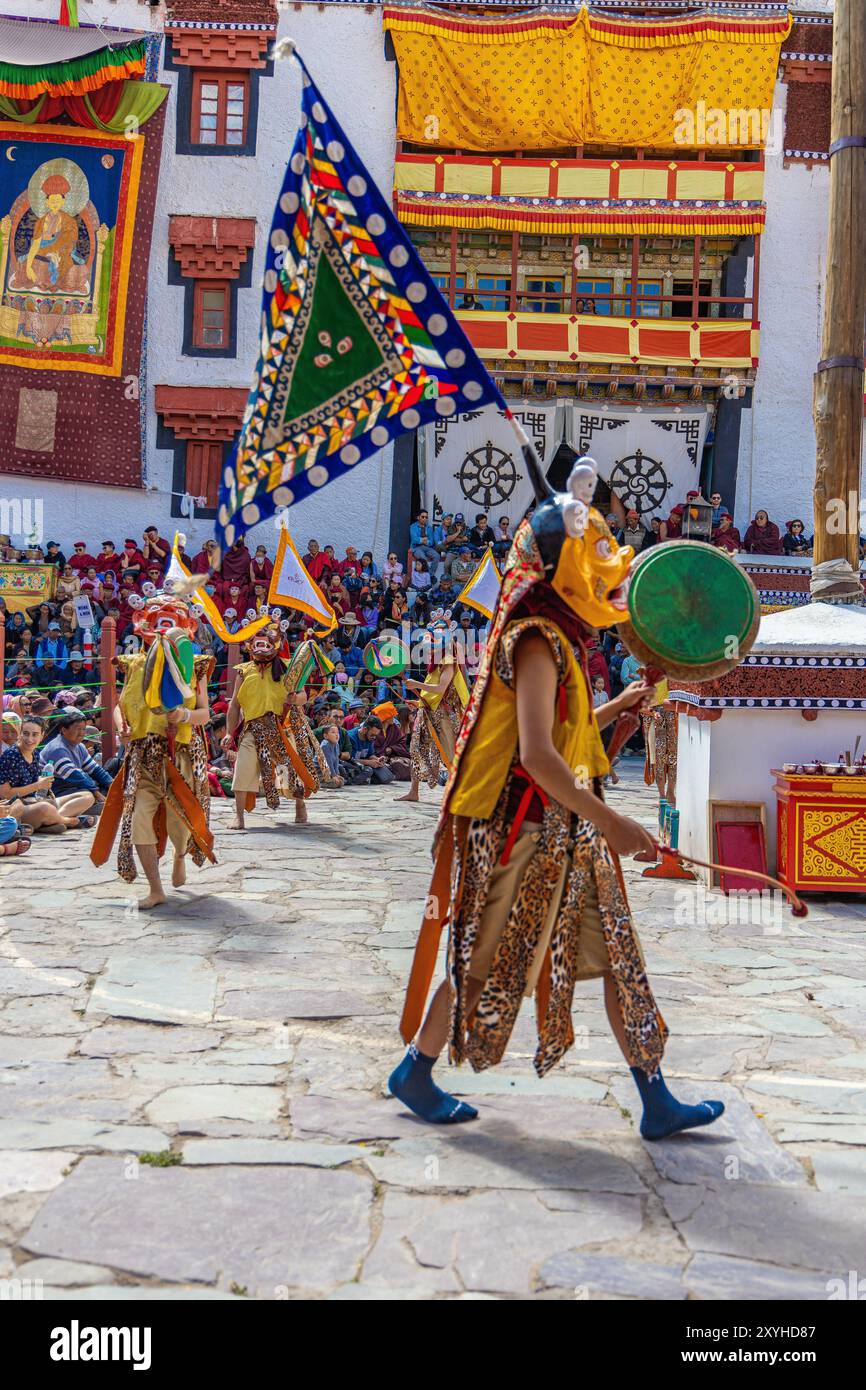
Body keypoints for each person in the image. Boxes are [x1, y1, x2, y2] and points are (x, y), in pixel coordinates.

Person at [388, 452, 724, 1140]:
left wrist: (623, 706)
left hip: (566, 828)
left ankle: (655, 1096)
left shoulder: (566, 643)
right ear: (563, 570)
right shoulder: (537, 640)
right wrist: (618, 821)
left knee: (620, 956)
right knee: (483, 960)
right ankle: (416, 1071)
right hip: (523, 827)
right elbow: (538, 758)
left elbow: (561, 741)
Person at [90, 592, 215, 908]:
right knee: (139, 822)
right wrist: (122, 727)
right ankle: (156, 888)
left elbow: (205, 714)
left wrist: (183, 715)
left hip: (180, 754)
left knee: (178, 822)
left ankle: (179, 854)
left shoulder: (195, 666)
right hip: (142, 755)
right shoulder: (133, 665)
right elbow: (119, 705)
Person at [223, 622, 314, 831]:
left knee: (288, 772)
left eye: (266, 644)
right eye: (257, 644)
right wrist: (229, 732)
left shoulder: (288, 666)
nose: (261, 648)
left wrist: (295, 697)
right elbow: (234, 704)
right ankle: (239, 817)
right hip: (252, 728)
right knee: (242, 769)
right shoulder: (243, 671)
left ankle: (300, 805)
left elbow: (303, 696)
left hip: (281, 727)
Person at [397, 625, 469, 803]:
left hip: (444, 714)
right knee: (416, 749)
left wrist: (417, 685)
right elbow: (430, 691)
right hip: (428, 711)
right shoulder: (435, 663)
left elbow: (440, 688)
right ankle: (414, 792)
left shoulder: (448, 661)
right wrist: (418, 698)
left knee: (450, 753)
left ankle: (461, 792)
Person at [0, 714, 96, 832]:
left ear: (42, 736)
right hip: (17, 808)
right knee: (45, 808)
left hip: (35, 801)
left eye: (34, 735)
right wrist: (38, 785)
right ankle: (66, 821)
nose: (30, 739)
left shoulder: (35, 753)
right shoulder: (11, 755)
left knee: (87, 797)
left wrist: (42, 782)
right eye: (25, 733)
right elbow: (5, 794)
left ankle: (50, 821)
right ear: (20, 733)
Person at [42, 709, 112, 806]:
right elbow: (74, 776)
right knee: (89, 796)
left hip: (73, 786)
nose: (81, 733)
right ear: (64, 730)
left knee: (107, 785)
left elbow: (95, 769)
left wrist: (113, 786)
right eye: (77, 729)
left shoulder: (79, 746)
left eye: (83, 729)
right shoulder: (57, 749)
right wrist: (97, 794)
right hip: (57, 790)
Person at [409, 510, 442, 578]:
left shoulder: (429, 528)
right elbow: (414, 540)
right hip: (416, 548)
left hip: (427, 547)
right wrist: (423, 540)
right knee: (423, 558)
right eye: (423, 517)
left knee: (437, 556)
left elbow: (431, 542)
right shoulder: (413, 526)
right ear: (418, 517)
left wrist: (422, 541)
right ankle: (431, 577)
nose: (425, 519)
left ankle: (430, 575)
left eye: (426, 517)